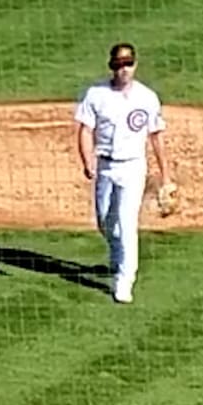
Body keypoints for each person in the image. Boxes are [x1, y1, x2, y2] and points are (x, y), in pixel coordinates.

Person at [74, 42, 167, 304]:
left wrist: (165, 176)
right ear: (111, 67)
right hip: (105, 166)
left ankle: (125, 280)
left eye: (127, 64)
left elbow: (156, 137)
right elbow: (84, 131)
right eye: (118, 65)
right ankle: (117, 256)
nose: (123, 70)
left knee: (127, 223)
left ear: (135, 65)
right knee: (105, 221)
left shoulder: (147, 98)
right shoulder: (96, 95)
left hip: (133, 167)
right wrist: (87, 160)